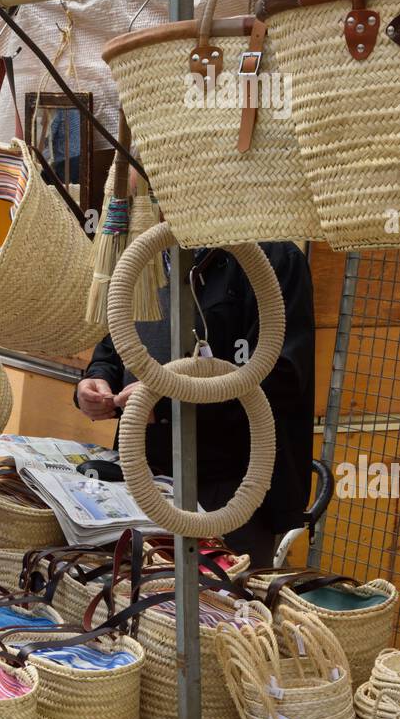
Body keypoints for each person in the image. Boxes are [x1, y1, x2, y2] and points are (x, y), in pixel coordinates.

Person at [76, 241, 315, 566]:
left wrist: (167, 399)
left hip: (230, 484)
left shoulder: (274, 259)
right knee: (140, 597)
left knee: (225, 601)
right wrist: (97, 377)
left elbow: (280, 377)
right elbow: (116, 341)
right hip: (143, 469)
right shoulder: (148, 249)